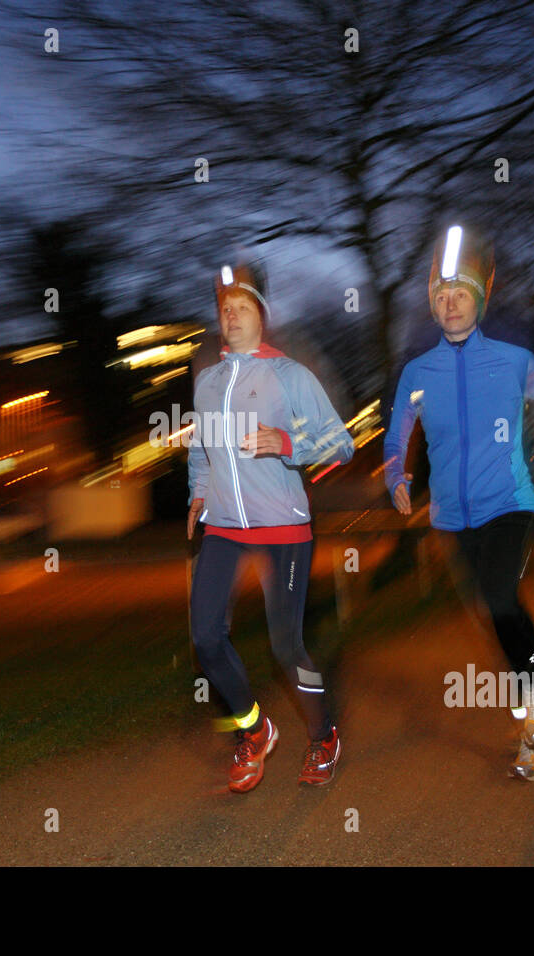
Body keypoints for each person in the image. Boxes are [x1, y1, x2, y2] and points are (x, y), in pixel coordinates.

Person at [382, 224, 534, 781]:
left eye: (460, 293)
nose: (450, 303)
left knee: (498, 595)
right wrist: (395, 472)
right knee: (491, 610)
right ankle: (531, 720)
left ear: (479, 300)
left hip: (511, 501)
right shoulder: (418, 372)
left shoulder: (514, 361)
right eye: (441, 295)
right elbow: (396, 433)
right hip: (451, 517)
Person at [187, 257, 355, 792]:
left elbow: (341, 443)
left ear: (261, 315)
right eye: (225, 308)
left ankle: (323, 734)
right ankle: (255, 729)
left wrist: (285, 443)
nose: (232, 316)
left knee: (287, 648)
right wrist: (197, 494)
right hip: (223, 525)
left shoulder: (290, 376)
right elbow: (199, 447)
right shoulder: (207, 382)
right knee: (205, 638)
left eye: (242, 307)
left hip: (283, 527)